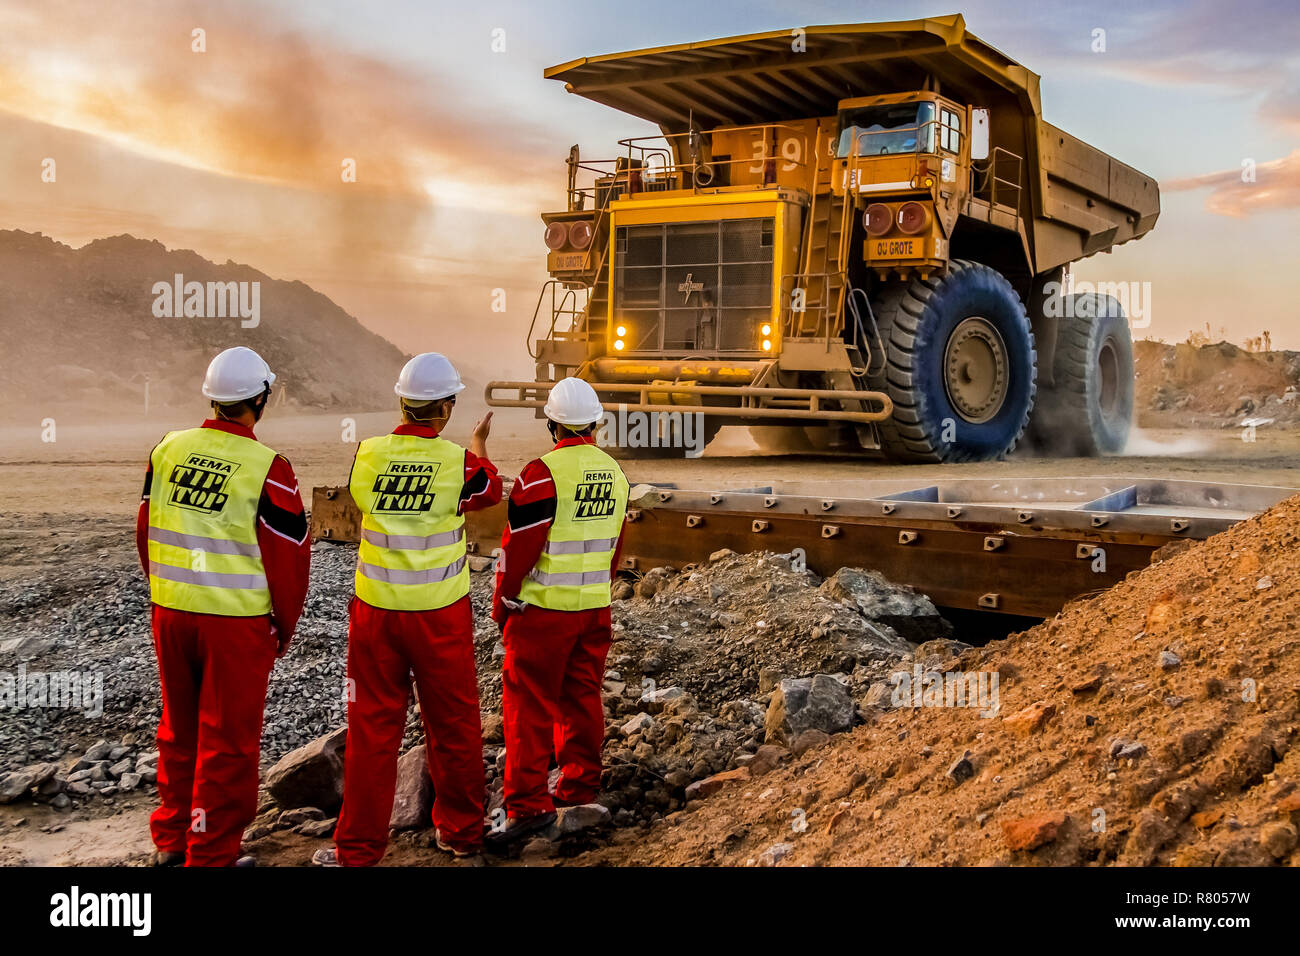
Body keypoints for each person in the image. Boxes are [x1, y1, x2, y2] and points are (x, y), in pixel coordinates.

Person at [314, 353, 501, 866]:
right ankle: (462, 832)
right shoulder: (457, 463)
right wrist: (479, 445)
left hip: (376, 613)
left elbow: (358, 496)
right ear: (446, 408)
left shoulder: (367, 455)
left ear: (403, 402)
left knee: (373, 730)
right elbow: (490, 489)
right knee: (454, 722)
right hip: (439, 614)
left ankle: (358, 848)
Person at [137, 346, 310, 867]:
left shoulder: (167, 448)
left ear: (213, 397)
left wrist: (167, 590)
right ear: (261, 398)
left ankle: (172, 839)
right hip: (234, 624)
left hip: (170, 612)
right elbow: (289, 560)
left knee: (178, 727)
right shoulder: (269, 468)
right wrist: (283, 625)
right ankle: (211, 852)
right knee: (227, 741)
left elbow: (145, 530)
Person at [487, 376, 628, 847]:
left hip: (543, 612)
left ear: (552, 425)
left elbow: (516, 550)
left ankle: (526, 806)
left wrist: (501, 602)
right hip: (594, 608)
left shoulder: (539, 475)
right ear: (595, 424)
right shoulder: (615, 474)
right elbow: (614, 551)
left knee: (528, 706)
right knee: (582, 698)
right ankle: (579, 787)